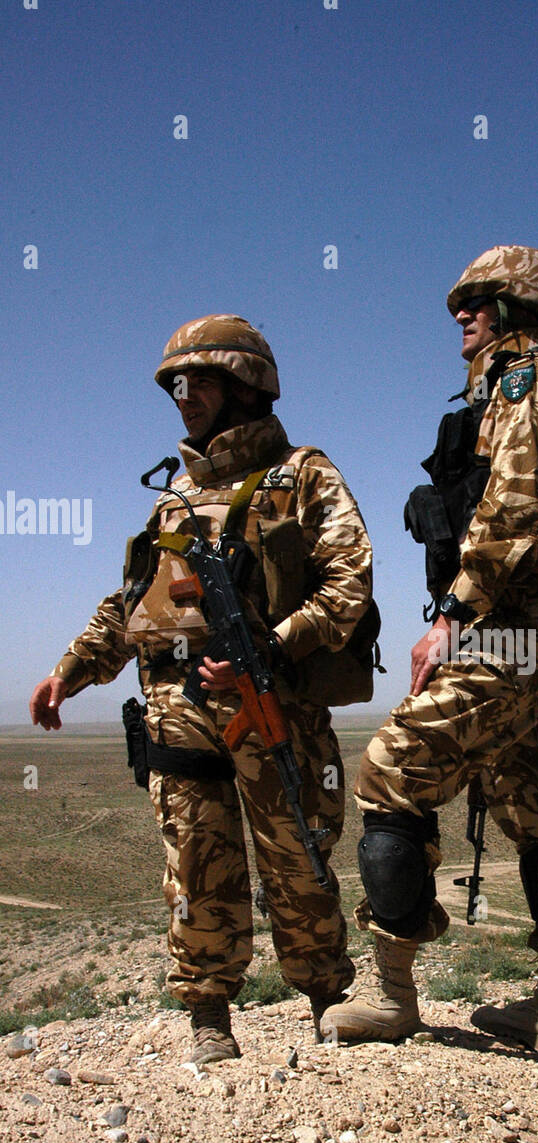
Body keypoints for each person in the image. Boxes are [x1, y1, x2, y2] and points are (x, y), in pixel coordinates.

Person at [29, 315, 373, 1063]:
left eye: (199, 381)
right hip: (178, 709)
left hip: (269, 703)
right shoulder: (174, 500)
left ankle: (326, 999)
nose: (183, 397)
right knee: (194, 859)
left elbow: (350, 583)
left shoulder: (303, 474)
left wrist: (273, 648)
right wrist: (69, 672)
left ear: (245, 386)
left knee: (296, 854)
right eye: (175, 385)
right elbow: (130, 605)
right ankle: (209, 1013)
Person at [320, 246, 538, 1060]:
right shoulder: (523, 389)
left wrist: (450, 616)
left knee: (391, 768)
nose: (461, 315)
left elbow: (515, 509)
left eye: (478, 302)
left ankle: (392, 996)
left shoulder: (537, 384)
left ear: (517, 310)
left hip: (513, 631)